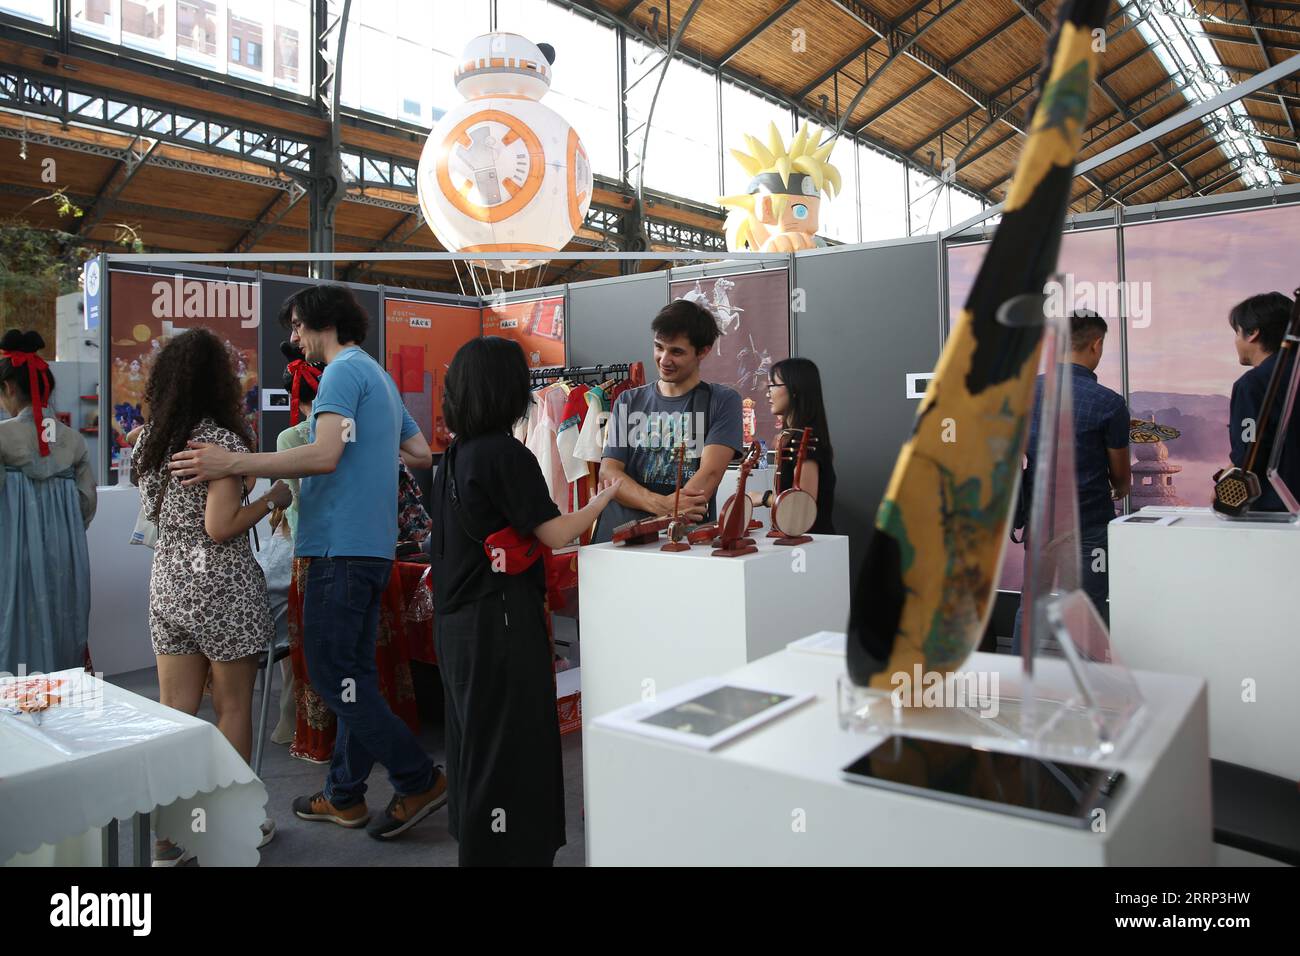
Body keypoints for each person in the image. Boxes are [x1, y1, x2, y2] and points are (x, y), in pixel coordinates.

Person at [168, 284, 441, 841]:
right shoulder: (380, 377)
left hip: (337, 550)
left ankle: (418, 778)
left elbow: (323, 454)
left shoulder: (342, 372)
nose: (293, 339)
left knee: (334, 674)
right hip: (369, 549)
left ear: (320, 322)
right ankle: (344, 796)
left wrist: (236, 460)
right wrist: (366, 455)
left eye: (296, 327)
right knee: (354, 675)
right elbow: (419, 453)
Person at [431, 336, 622, 866]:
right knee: (510, 749)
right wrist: (604, 499)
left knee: (473, 745)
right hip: (501, 624)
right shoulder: (504, 454)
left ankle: (483, 847)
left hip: (458, 626)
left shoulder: (453, 456)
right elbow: (554, 532)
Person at [131, 327, 291, 862]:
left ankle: (169, 835)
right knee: (232, 707)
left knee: (174, 710)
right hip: (220, 584)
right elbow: (221, 526)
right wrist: (272, 496)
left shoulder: (148, 440)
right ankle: (229, 825)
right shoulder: (219, 443)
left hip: (168, 581)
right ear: (219, 381)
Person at [1012, 310, 1130, 652]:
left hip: (1039, 520)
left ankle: (1018, 684)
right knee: (1087, 608)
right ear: (1096, 345)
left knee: (1031, 603)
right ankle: (1092, 691)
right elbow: (1120, 476)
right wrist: (1119, 488)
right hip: (1089, 523)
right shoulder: (1109, 402)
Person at [594, 299, 742, 541]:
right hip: (624, 540)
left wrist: (660, 508)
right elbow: (609, 473)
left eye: (676, 351)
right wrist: (662, 505)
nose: (664, 359)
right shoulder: (628, 401)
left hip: (685, 542)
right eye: (659, 347)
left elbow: (710, 474)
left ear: (703, 351)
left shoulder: (722, 401)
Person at [0, 329, 97, 674]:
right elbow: (86, 504)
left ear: (9, 387)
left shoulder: (3, 436)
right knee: (61, 628)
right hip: (65, 556)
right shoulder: (71, 440)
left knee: (12, 630)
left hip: (10, 558)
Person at [1227, 291, 1300, 512]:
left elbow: (1249, 455)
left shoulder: (1252, 384)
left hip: (1278, 507)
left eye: (1237, 332)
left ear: (1252, 334)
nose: (1236, 341)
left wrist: (1225, 483)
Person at [749, 357, 837, 535]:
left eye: (773, 386)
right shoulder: (791, 436)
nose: (768, 394)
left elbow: (802, 505)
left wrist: (763, 498)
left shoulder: (805, 440)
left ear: (795, 390)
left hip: (811, 545)